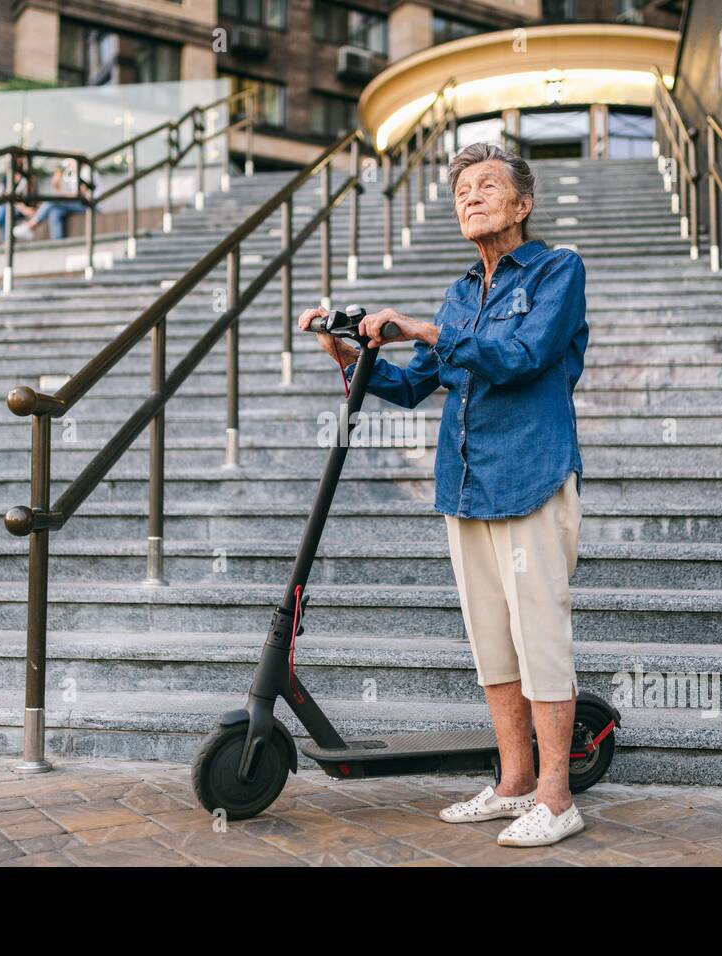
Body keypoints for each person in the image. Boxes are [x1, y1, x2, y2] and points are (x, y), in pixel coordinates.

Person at [299, 142, 590, 848]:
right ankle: (514, 783)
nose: (471, 197)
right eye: (462, 190)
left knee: (540, 642)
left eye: (487, 186)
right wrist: (348, 354)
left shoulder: (557, 270)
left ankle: (557, 798)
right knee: (493, 644)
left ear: (522, 204)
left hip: (531, 477)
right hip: (465, 485)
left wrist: (427, 329)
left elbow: (521, 358)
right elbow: (412, 385)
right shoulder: (462, 293)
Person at [20, 160, 88, 241]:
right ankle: (58, 243)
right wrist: (56, 183)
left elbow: (79, 194)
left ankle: (30, 226)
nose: (68, 167)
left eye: (70, 164)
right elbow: (67, 194)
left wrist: (61, 196)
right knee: (55, 211)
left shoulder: (86, 171)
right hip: (79, 203)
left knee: (51, 201)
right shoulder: (74, 175)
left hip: (89, 204)